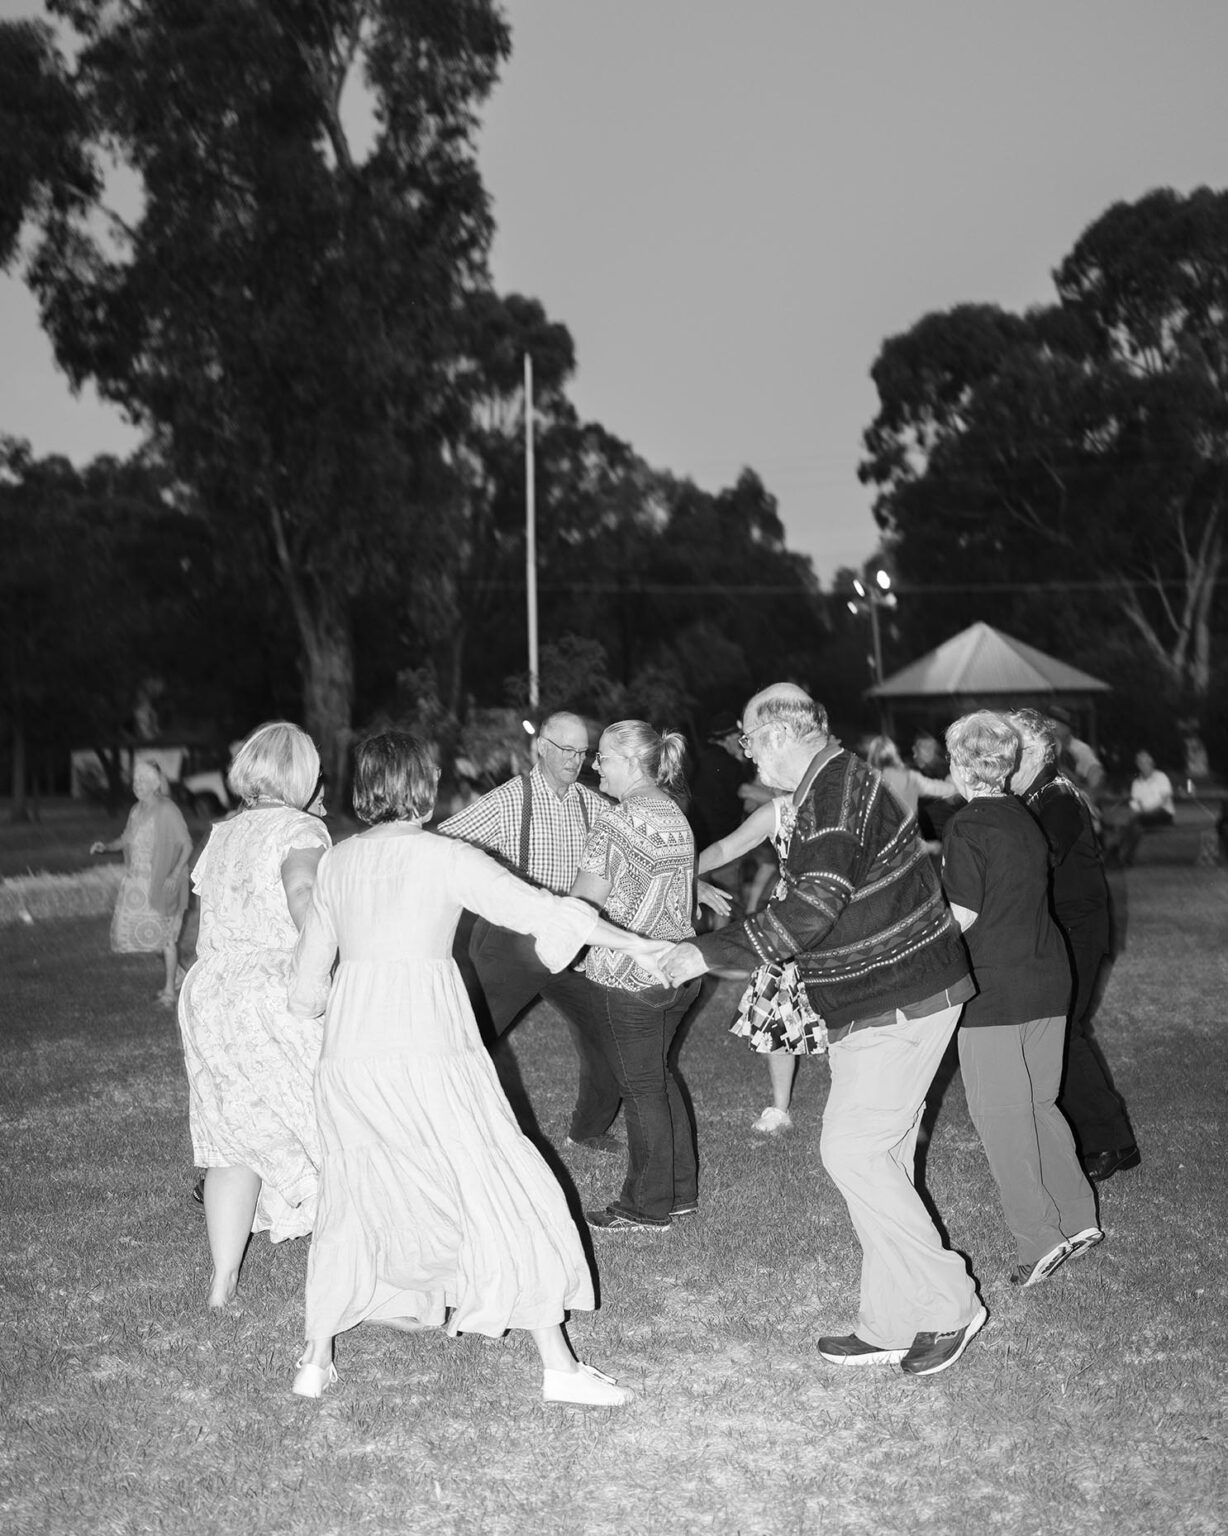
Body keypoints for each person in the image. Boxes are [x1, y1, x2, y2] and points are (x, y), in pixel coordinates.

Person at [287, 731, 669, 1405]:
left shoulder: (339, 862)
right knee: (495, 1177)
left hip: (351, 1048)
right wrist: (637, 944)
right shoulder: (445, 857)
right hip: (430, 1040)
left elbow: (308, 981)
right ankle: (559, 1368)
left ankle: (314, 1361)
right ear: (423, 787)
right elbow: (546, 912)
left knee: (357, 1186)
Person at [663, 684, 986, 1377]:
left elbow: (811, 908)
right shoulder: (826, 787)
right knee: (882, 1159)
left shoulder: (836, 792)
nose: (747, 757)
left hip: (902, 998)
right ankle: (892, 1322)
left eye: (748, 742)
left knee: (852, 1152)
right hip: (877, 997)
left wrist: (703, 951)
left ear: (779, 735)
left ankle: (951, 1304)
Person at [942, 713, 1102, 1288]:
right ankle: (1078, 1216)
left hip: (997, 987)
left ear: (960, 765)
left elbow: (961, 916)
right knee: (1039, 1103)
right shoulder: (1024, 815)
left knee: (1000, 1117)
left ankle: (1038, 1240)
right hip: (1047, 977)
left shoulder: (967, 827)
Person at [177, 722, 331, 1310]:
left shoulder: (223, 834)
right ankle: (359, 1279)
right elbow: (302, 894)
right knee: (324, 1122)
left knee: (229, 1136)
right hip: (272, 988)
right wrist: (325, 958)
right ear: (302, 774)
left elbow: (209, 920)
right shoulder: (300, 827)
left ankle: (222, 1285)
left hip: (211, 989)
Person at [438, 712, 621, 1153]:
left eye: (582, 753)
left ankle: (589, 1129)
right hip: (510, 942)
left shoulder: (593, 804)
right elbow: (441, 845)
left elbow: (637, 851)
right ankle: (448, 1127)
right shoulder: (507, 800)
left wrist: (697, 881)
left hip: (570, 944)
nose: (575, 760)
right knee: (471, 1038)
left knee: (608, 1034)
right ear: (541, 746)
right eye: (565, 750)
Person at [569, 721, 702, 1233]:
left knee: (642, 1087)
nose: (594, 765)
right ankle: (679, 1192)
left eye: (602, 757)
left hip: (631, 977)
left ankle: (645, 1207)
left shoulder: (617, 821)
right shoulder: (673, 815)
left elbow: (584, 903)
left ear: (630, 762)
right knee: (659, 1079)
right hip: (677, 970)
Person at [1009, 710, 1140, 1181]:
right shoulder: (1031, 794)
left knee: (1065, 1030)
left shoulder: (1058, 796)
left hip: (1078, 931)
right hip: (1060, 929)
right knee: (1058, 1029)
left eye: (1016, 745)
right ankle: (1094, 1135)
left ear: (1043, 750)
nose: (1006, 754)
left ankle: (1112, 1141)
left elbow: (1041, 856)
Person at [697, 794, 827, 1134]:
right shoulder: (780, 809)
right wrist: (679, 872)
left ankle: (855, 1100)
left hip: (842, 915)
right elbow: (725, 849)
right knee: (779, 1004)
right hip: (790, 916)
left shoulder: (844, 796)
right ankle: (780, 1106)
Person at [90, 761, 193, 1006]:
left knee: (167, 939)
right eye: (135, 781)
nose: (137, 785)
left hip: (164, 881)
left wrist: (174, 874)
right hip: (139, 883)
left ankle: (170, 991)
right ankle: (180, 976)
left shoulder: (167, 809)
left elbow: (186, 844)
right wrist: (106, 847)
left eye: (142, 781)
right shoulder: (136, 810)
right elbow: (126, 839)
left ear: (155, 784)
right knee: (153, 938)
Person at [1112, 750, 1176, 867]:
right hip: (1142, 818)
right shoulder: (1137, 783)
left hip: (1163, 813)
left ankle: (1115, 851)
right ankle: (1126, 859)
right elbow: (1135, 803)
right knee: (1137, 828)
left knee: (1134, 820)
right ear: (1138, 765)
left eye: (1147, 762)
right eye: (1141, 763)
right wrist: (1141, 810)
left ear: (1152, 764)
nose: (1144, 765)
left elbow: (1163, 800)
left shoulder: (1161, 777)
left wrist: (1145, 810)